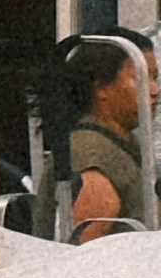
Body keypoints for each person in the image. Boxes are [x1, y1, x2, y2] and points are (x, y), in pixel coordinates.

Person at [59, 37, 149, 239]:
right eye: (141, 79)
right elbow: (83, 248)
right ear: (101, 89)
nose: (155, 90)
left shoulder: (122, 141)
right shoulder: (91, 151)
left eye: (155, 78)